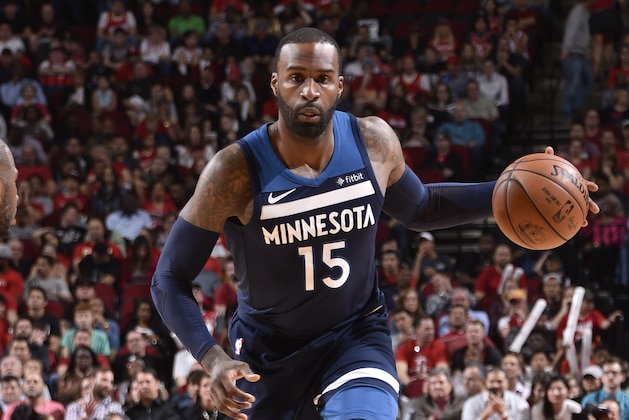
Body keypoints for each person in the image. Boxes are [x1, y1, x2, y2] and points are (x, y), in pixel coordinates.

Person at [151, 27, 600, 420]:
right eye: (297, 78)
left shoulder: (373, 142)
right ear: (276, 83)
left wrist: (510, 191)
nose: (310, 91)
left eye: (322, 78)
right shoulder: (233, 171)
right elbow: (169, 277)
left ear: (339, 85)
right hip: (267, 355)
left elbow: (422, 207)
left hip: (355, 336)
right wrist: (212, 358)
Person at [461, 368, 529, 420]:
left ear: (507, 382)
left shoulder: (520, 403)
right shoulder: (471, 403)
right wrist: (487, 413)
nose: (495, 385)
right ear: (485, 383)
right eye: (492, 381)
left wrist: (503, 414)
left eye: (499, 382)